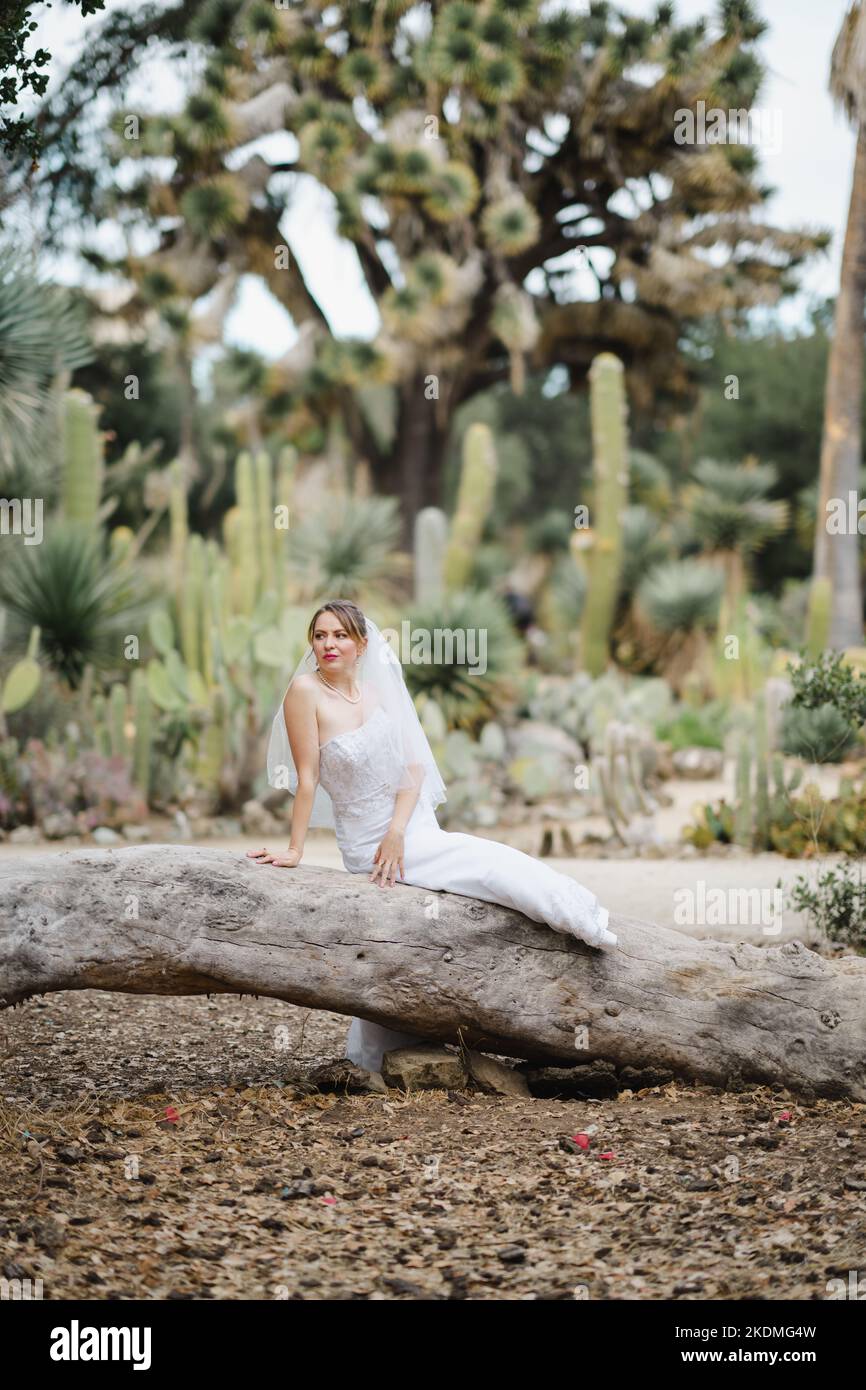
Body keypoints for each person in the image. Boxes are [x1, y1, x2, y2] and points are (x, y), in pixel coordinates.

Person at [247, 598, 617, 1074]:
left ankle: (581, 916)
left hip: (409, 827)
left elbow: (413, 767)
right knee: (483, 864)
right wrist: (295, 850)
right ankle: (578, 918)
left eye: (340, 635)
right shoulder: (303, 692)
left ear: (361, 644)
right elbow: (307, 777)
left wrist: (399, 830)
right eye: (320, 636)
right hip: (366, 843)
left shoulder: (377, 695)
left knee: (483, 860)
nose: (329, 644)